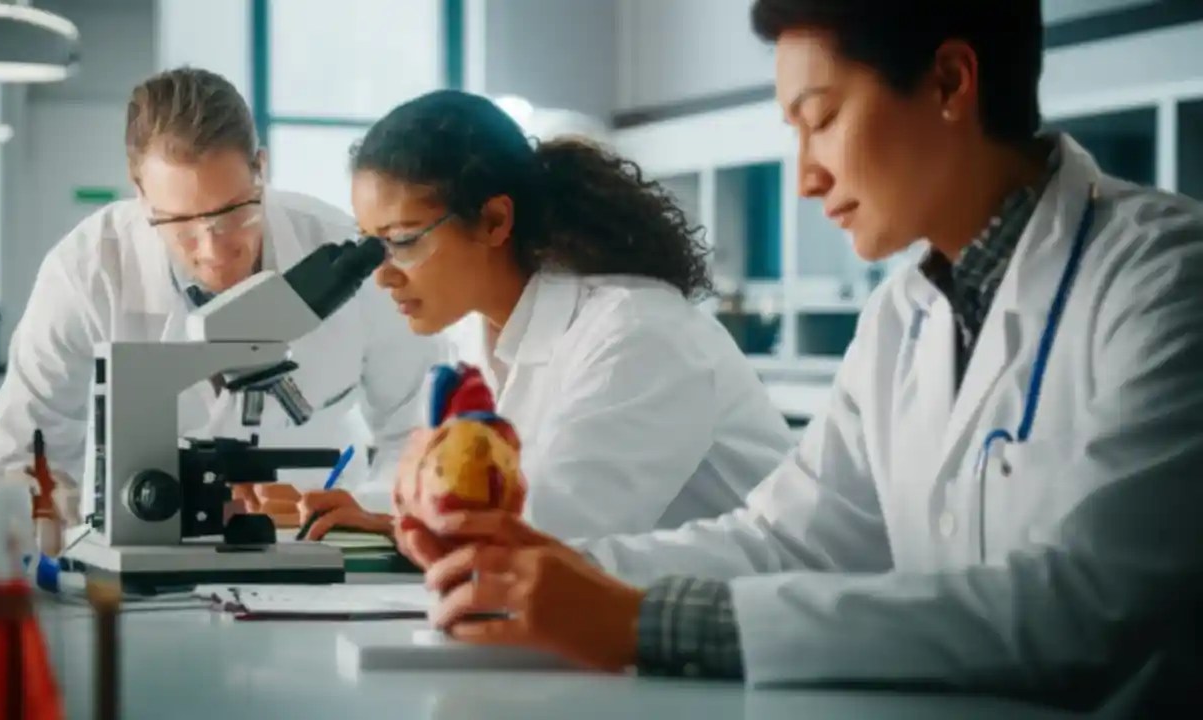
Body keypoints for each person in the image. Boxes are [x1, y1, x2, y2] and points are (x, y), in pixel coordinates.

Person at [391, 0, 1203, 714]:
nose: (807, 177)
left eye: (821, 118)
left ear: (952, 82)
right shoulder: (902, 317)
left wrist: (637, 621)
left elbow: (1090, 608)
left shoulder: (1166, 277)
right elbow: (785, 540)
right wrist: (532, 569)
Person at [298, 89, 795, 541]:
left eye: (403, 241)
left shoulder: (634, 333)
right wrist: (346, 509)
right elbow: (460, 497)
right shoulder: (478, 338)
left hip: (746, 620)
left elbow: (552, 528)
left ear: (494, 221)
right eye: (371, 247)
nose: (383, 276)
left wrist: (388, 526)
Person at [0, 67, 440, 531]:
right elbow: (21, 456)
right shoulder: (88, 271)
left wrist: (366, 511)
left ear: (261, 169)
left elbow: (419, 430)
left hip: (316, 552)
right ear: (140, 195)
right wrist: (59, 534)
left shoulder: (344, 255)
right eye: (180, 222)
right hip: (147, 559)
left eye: (232, 212)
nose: (214, 248)